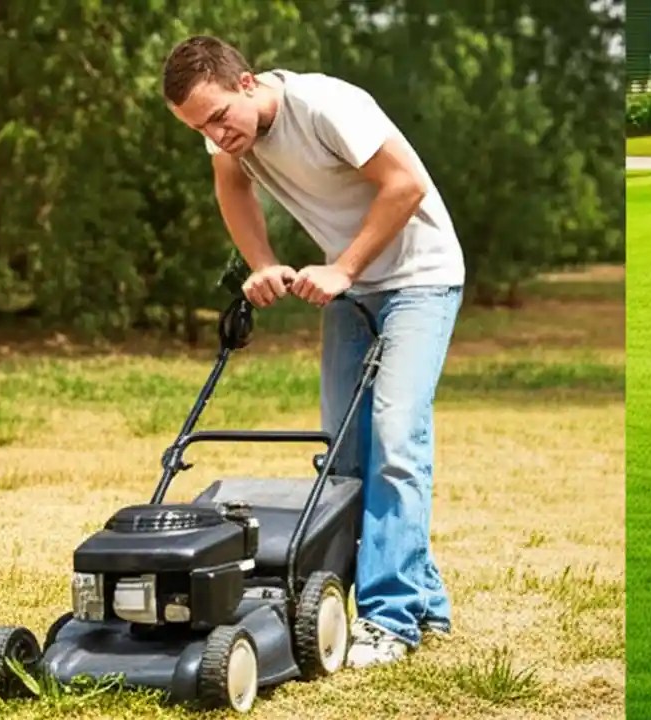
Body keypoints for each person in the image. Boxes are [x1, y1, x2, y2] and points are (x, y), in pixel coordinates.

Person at [161, 36, 466, 663]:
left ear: (246, 83)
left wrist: (345, 268)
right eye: (200, 127)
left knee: (396, 437)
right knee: (345, 460)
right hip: (352, 288)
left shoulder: (326, 105)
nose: (216, 134)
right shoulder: (223, 134)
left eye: (219, 117)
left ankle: (391, 619)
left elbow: (405, 186)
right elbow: (233, 190)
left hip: (421, 277)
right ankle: (425, 602)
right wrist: (262, 264)